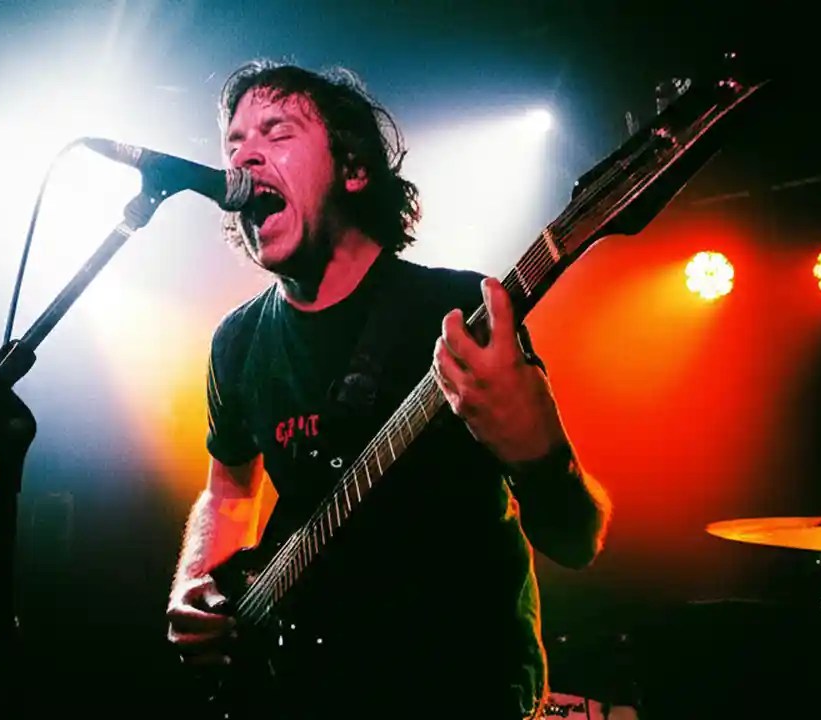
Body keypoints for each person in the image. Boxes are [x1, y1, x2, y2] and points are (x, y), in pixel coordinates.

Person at [166, 59, 612, 720]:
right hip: (301, 686)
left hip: (455, 684)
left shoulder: (460, 309)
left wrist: (537, 452)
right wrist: (195, 583)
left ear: (353, 169)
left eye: (276, 132)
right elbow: (228, 488)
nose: (245, 157)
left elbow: (577, 538)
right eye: (234, 144)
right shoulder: (237, 341)